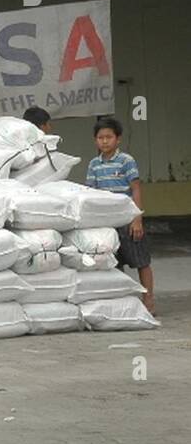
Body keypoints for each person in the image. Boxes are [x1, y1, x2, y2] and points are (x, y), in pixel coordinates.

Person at [86, 116, 155, 313]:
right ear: (95, 140)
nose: (105, 141)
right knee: (114, 264)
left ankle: (148, 301)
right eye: (100, 138)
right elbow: (92, 193)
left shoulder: (126, 161)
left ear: (118, 139)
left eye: (109, 137)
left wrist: (137, 218)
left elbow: (136, 190)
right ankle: (121, 303)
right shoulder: (94, 165)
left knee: (142, 262)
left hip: (128, 221)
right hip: (108, 224)